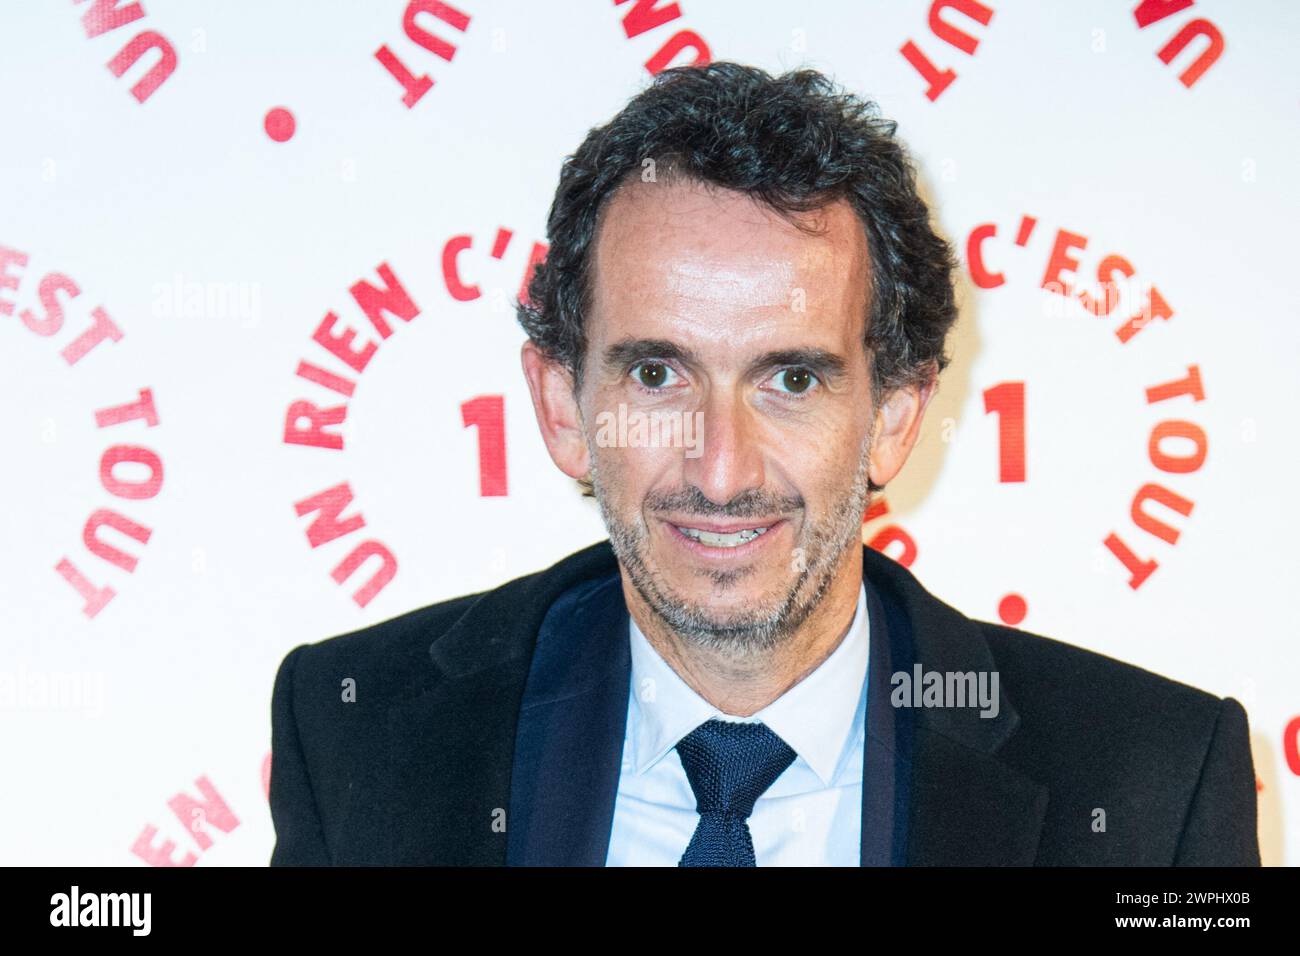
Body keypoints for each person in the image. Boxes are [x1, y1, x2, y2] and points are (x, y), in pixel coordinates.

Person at [269, 62, 1260, 866]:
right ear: (563, 404)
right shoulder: (362, 734)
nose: (718, 467)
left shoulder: (1147, 781)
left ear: (894, 416)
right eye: (657, 372)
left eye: (790, 378)